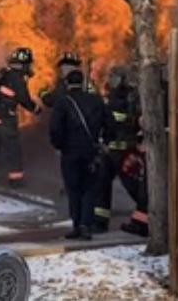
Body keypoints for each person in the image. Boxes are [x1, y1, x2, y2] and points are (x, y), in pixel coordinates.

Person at [47, 69, 115, 240]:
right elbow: (111, 123)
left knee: (73, 189)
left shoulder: (63, 103)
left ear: (67, 84)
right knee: (89, 189)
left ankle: (77, 225)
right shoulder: (96, 101)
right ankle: (86, 225)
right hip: (91, 152)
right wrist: (105, 142)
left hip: (70, 153)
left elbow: (55, 128)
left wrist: (59, 145)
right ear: (83, 83)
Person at [0, 47, 42, 188]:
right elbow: (24, 99)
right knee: (13, 150)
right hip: (6, 119)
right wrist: (37, 109)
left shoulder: (1, 74)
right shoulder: (17, 78)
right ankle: (16, 180)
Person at [102, 64, 149, 237]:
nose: (111, 82)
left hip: (127, 150)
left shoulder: (132, 97)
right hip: (110, 150)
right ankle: (99, 222)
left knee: (135, 186)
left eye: (114, 78)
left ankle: (148, 218)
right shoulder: (108, 97)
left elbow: (136, 120)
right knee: (102, 185)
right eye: (110, 78)